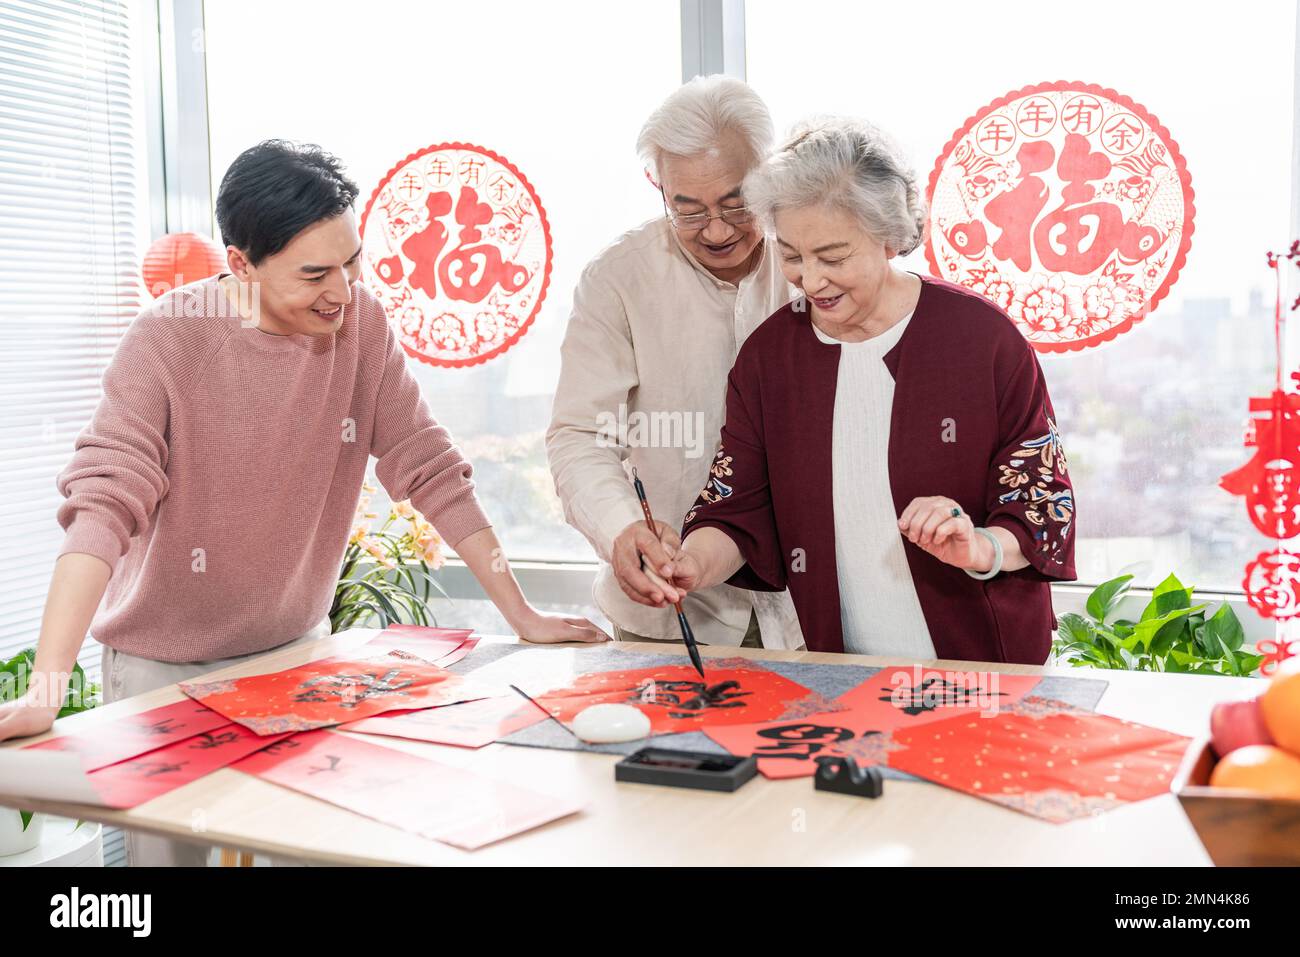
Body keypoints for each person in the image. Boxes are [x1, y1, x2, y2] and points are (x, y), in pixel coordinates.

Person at [0, 140, 605, 864]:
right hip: (163, 668)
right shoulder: (166, 339)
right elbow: (102, 506)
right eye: (314, 274)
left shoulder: (361, 326)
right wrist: (45, 690)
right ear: (240, 265)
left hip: (295, 657)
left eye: (351, 264)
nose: (341, 292)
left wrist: (523, 614)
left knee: (308, 849)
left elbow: (429, 464)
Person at [621, 117, 1076, 664]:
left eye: (833, 258)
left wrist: (977, 545)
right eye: (791, 255)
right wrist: (689, 564)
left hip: (984, 665)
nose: (811, 281)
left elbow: (1040, 501)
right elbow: (734, 510)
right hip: (842, 668)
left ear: (889, 237)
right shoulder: (770, 359)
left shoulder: (980, 338)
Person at [547, 75, 803, 651]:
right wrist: (620, 529)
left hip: (811, 606)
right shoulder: (618, 277)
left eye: (737, 204)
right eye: (686, 210)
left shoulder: (813, 263)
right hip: (671, 609)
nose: (715, 230)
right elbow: (581, 434)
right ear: (657, 187)